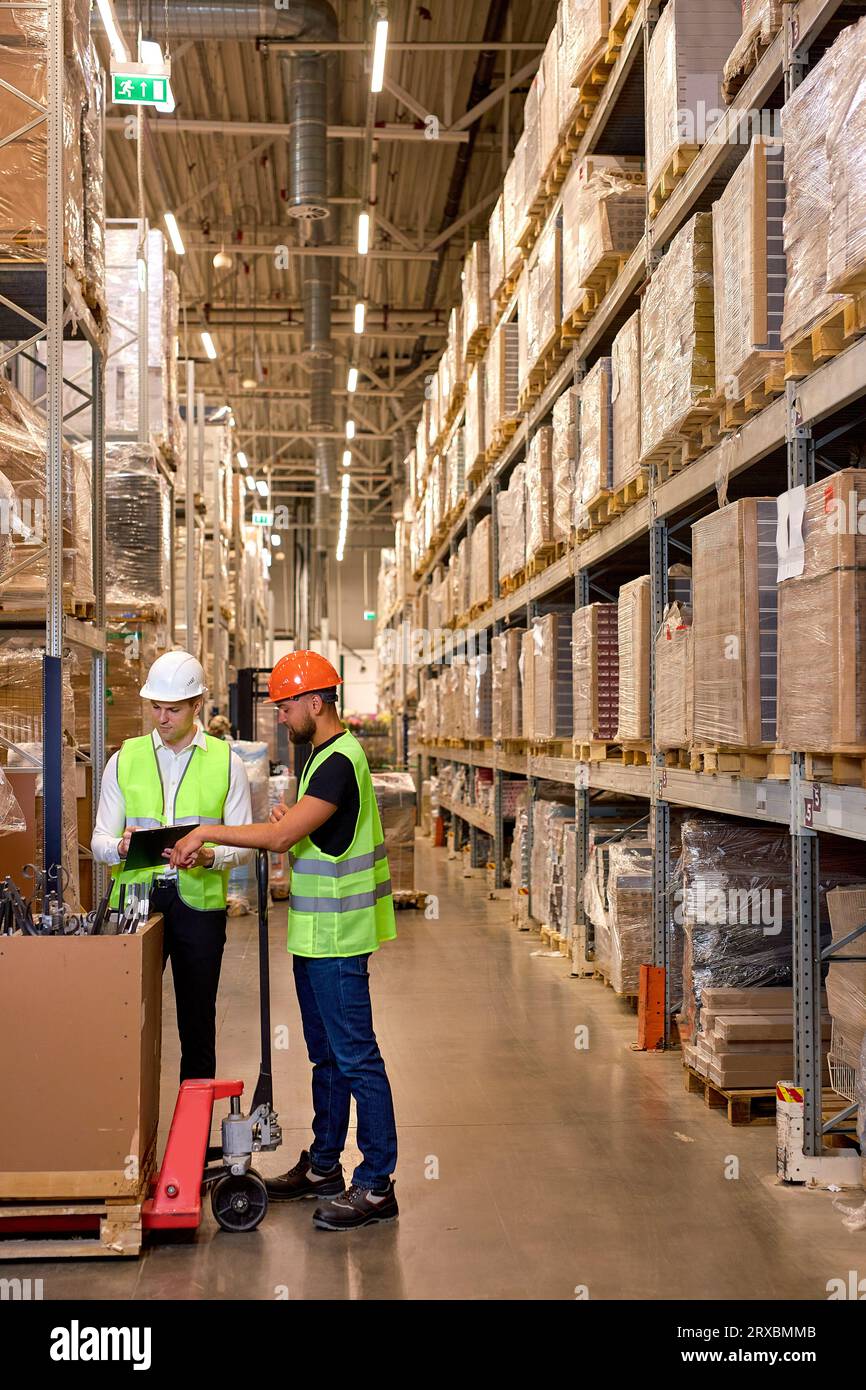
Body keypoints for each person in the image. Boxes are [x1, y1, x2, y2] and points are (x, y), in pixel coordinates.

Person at [167, 650, 399, 1232]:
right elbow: (313, 834)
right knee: (327, 1057)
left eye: (287, 704)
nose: (280, 715)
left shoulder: (338, 761)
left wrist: (208, 830)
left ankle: (376, 1186)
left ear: (316, 702)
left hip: (340, 940)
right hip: (317, 937)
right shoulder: (320, 755)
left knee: (357, 1058)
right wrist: (295, 820)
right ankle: (325, 1166)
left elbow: (280, 839)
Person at [91, 650, 253, 1082]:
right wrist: (122, 849)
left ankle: (193, 1140)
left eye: (173, 709)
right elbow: (98, 842)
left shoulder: (226, 762)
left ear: (197, 704)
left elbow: (245, 843)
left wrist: (209, 854)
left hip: (199, 905)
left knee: (197, 1026)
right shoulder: (124, 759)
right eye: (156, 707)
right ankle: (124, 1129)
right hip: (135, 906)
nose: (162, 718)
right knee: (125, 1022)